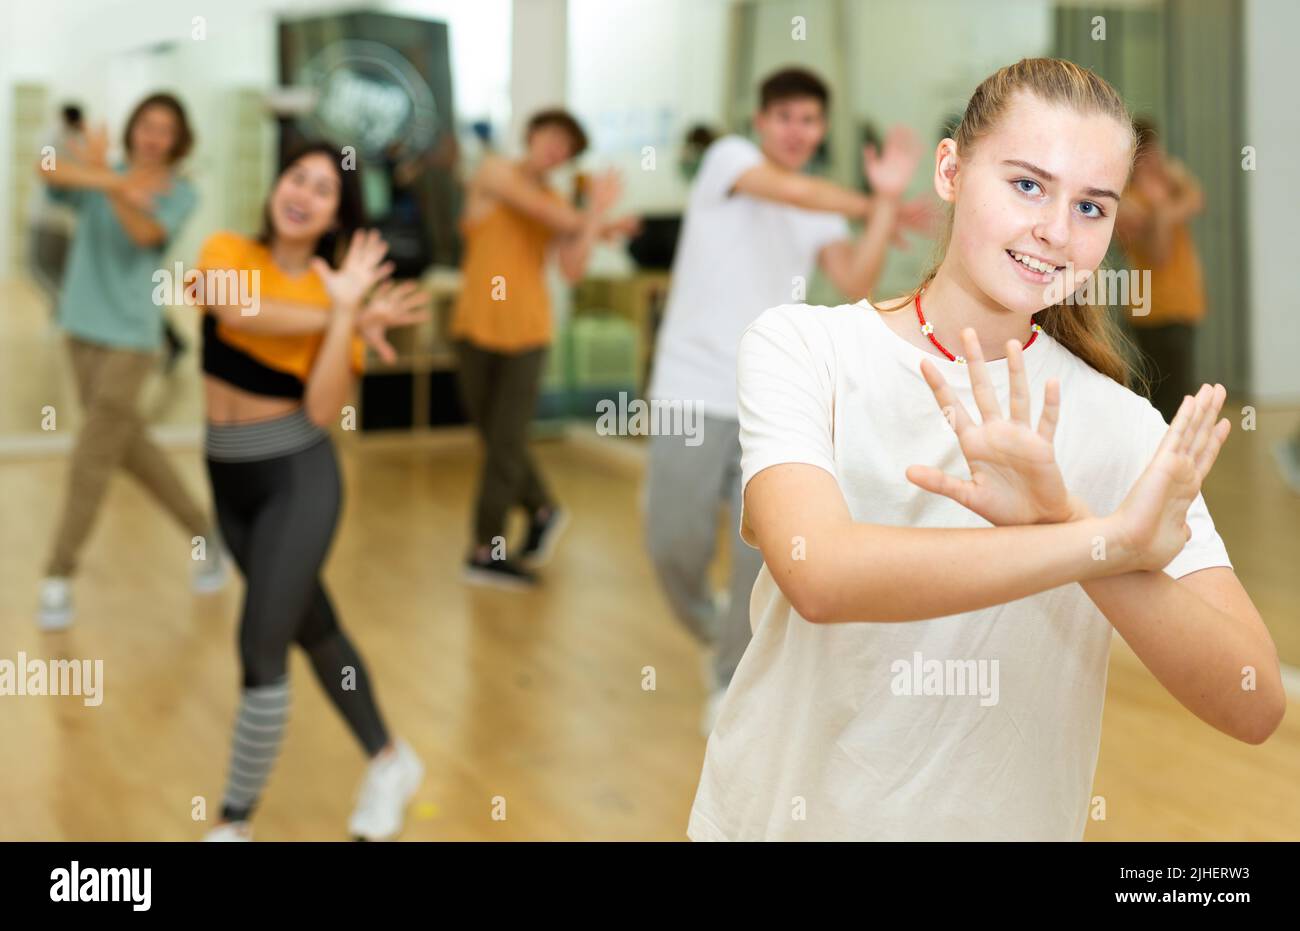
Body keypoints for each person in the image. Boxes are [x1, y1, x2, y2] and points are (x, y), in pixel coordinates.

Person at [688, 58, 1284, 842]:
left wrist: (1062, 518)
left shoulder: (1123, 426)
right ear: (950, 170)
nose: (1056, 231)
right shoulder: (805, 347)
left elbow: (1253, 700)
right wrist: (1103, 541)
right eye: (1028, 185)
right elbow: (820, 573)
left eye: (1092, 207)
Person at [643, 67, 930, 733]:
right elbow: (791, 189)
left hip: (768, 399)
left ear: (823, 128)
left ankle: (729, 676)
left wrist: (882, 206)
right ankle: (716, 631)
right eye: (785, 118)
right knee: (670, 544)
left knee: (759, 556)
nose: (797, 132)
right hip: (690, 387)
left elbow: (856, 277)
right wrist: (872, 202)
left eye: (809, 121)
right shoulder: (728, 160)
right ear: (760, 120)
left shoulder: (823, 208)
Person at [195, 142, 430, 841]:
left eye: (323, 188)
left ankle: (233, 822)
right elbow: (232, 310)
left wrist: (343, 320)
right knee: (314, 627)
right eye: (297, 176)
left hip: (297, 479)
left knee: (261, 643)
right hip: (227, 476)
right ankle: (391, 759)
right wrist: (344, 316)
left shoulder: (337, 297)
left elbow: (325, 408)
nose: (303, 192)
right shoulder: (229, 250)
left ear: (338, 214)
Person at [35, 92, 224, 629]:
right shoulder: (105, 171)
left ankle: (58, 574)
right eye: (145, 124)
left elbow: (144, 234)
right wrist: (104, 176)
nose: (152, 136)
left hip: (132, 338)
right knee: (129, 446)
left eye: (165, 129)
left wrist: (109, 184)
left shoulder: (179, 191)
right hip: (81, 327)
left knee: (93, 451)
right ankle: (206, 533)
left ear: (177, 140)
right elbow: (44, 168)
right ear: (133, 128)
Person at [451, 108, 635, 589]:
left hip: (528, 332)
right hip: (475, 322)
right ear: (532, 135)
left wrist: (593, 226)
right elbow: (541, 212)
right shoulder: (495, 172)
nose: (556, 151)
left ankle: (484, 549)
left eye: (567, 149)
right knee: (494, 439)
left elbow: (572, 268)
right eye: (552, 138)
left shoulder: (559, 201)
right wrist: (596, 216)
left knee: (506, 443)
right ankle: (543, 508)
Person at [1115, 118, 1207, 422]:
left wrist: (1168, 202)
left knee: (1176, 392)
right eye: (1150, 154)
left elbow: (1197, 198)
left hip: (1183, 304)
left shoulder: (1167, 191)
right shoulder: (1126, 202)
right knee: (1159, 395)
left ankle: (1163, 457)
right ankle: (1155, 458)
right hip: (1150, 308)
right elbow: (1159, 254)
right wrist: (1163, 212)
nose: (1158, 161)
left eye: (1158, 152)